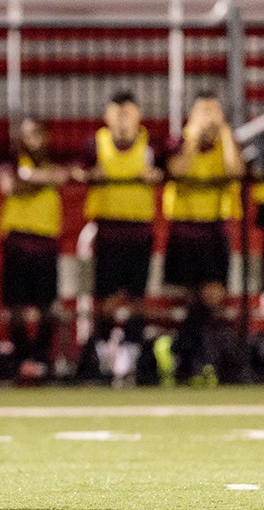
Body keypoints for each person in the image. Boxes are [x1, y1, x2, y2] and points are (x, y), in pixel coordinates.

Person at [75, 91, 162, 387]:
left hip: (140, 230)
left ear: (138, 115)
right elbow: (80, 170)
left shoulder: (150, 144)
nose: (123, 119)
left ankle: (131, 355)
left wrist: (156, 174)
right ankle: (104, 354)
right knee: (108, 299)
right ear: (107, 116)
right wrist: (89, 175)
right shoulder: (94, 144)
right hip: (109, 230)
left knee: (137, 299)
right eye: (117, 113)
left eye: (128, 113)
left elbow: (168, 167)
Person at [164, 90, 245, 385]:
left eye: (215, 110)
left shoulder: (227, 143)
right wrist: (193, 139)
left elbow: (236, 171)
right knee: (190, 297)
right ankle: (189, 359)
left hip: (214, 228)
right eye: (203, 111)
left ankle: (188, 355)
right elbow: (179, 169)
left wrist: (224, 135)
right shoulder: (178, 142)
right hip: (185, 229)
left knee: (212, 297)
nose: (209, 117)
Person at [0, 119, 68, 382]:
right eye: (26, 134)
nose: (32, 139)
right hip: (17, 239)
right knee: (15, 305)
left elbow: (62, 176)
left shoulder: (53, 160)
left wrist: (32, 178)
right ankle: (21, 355)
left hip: (46, 240)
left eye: (37, 134)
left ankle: (40, 357)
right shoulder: (10, 161)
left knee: (46, 305)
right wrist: (41, 179)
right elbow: (11, 186)